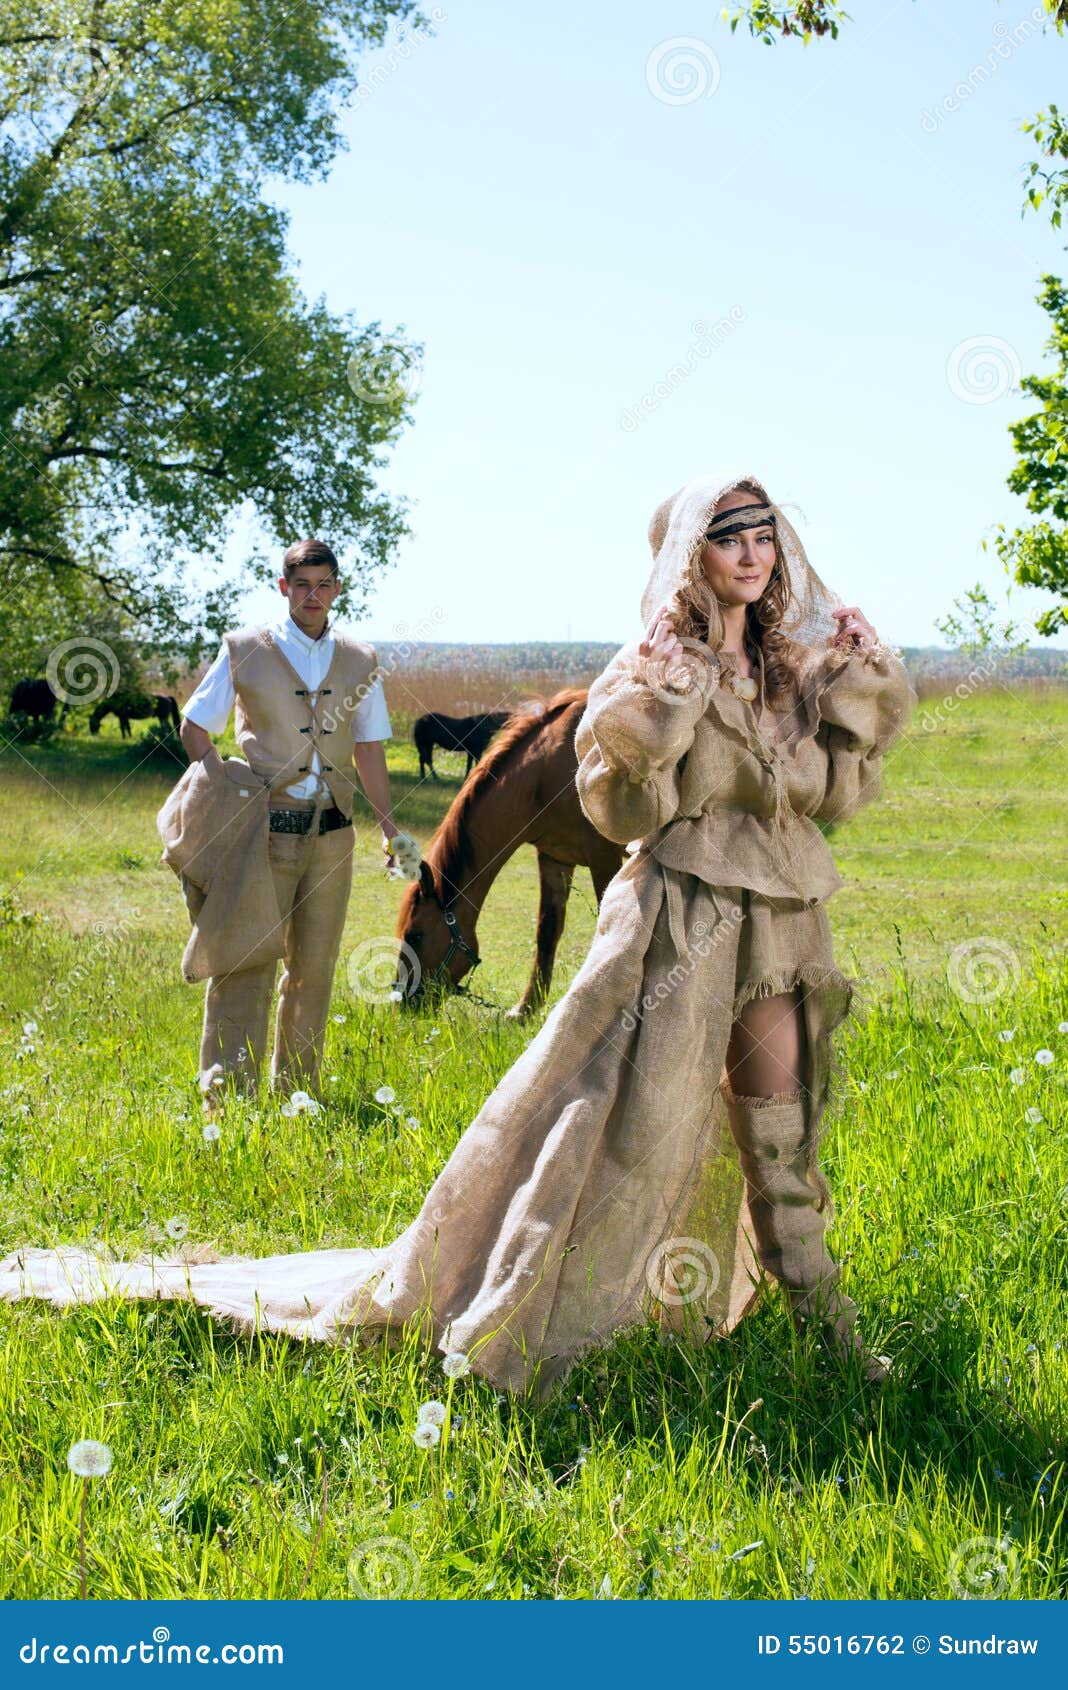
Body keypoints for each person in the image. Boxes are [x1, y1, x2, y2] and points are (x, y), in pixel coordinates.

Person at [0, 473, 917, 1403]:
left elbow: (832, 794)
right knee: (631, 1121)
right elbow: (624, 803)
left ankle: (823, 1331)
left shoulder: (791, 676)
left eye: (764, 535)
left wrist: (856, 678)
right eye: (731, 537)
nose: (754, 553)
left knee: (783, 1127)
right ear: (693, 556)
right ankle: (552, 1305)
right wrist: (667, 705)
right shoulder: (647, 669)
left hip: (783, 921)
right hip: (678, 923)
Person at [177, 538, 398, 1106]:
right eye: (302, 585)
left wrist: (389, 828)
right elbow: (196, 726)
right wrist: (219, 779)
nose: (313, 596)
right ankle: (225, 1098)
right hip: (264, 831)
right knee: (245, 959)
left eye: (324, 585)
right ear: (284, 588)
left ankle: (298, 1093)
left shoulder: (361, 659)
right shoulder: (246, 648)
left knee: (315, 970)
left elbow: (370, 748)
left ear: (337, 589)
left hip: (333, 835)